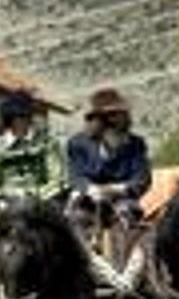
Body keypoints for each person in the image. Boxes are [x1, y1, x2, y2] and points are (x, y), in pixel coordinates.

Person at [64, 86, 153, 249]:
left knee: (134, 232)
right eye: (115, 116)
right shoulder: (77, 144)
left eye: (123, 115)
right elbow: (74, 176)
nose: (123, 121)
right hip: (87, 202)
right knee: (72, 226)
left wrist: (116, 189)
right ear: (101, 123)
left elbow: (142, 179)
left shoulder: (136, 144)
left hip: (123, 201)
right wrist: (90, 189)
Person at [0, 90, 64, 234]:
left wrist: (37, 196)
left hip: (39, 202)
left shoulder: (48, 144)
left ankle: (87, 254)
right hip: (5, 201)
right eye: (18, 117)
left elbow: (56, 178)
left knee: (65, 229)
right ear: (10, 119)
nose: (23, 121)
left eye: (25, 116)